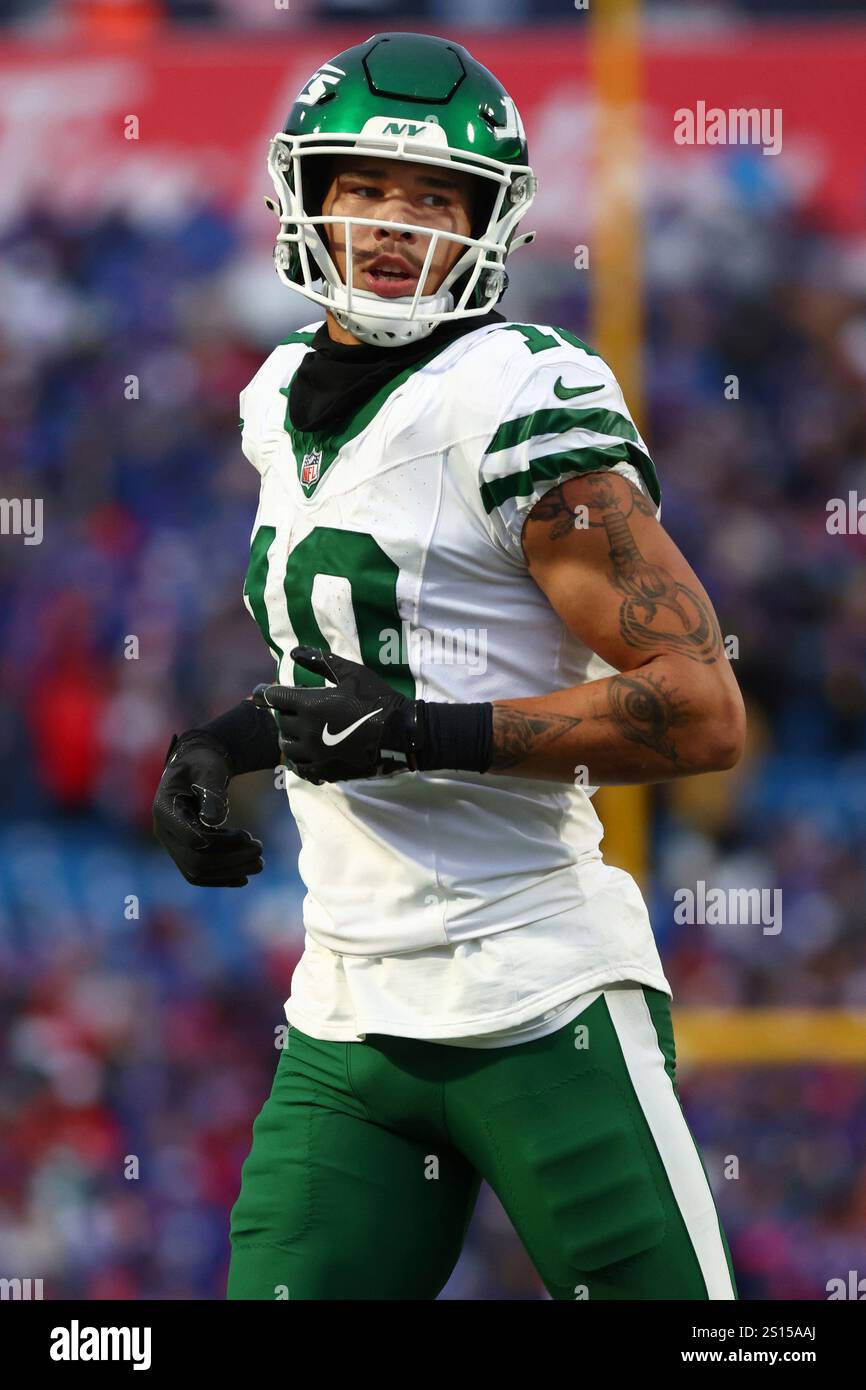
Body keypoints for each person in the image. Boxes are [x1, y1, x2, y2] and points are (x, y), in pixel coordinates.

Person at [153, 31, 745, 1300]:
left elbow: (699, 712)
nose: (391, 224)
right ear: (307, 196)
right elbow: (360, 660)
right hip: (344, 1010)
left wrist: (430, 737)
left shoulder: (517, 396)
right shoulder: (276, 397)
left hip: (535, 995)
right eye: (364, 187)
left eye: (433, 198)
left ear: (491, 225)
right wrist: (222, 741)